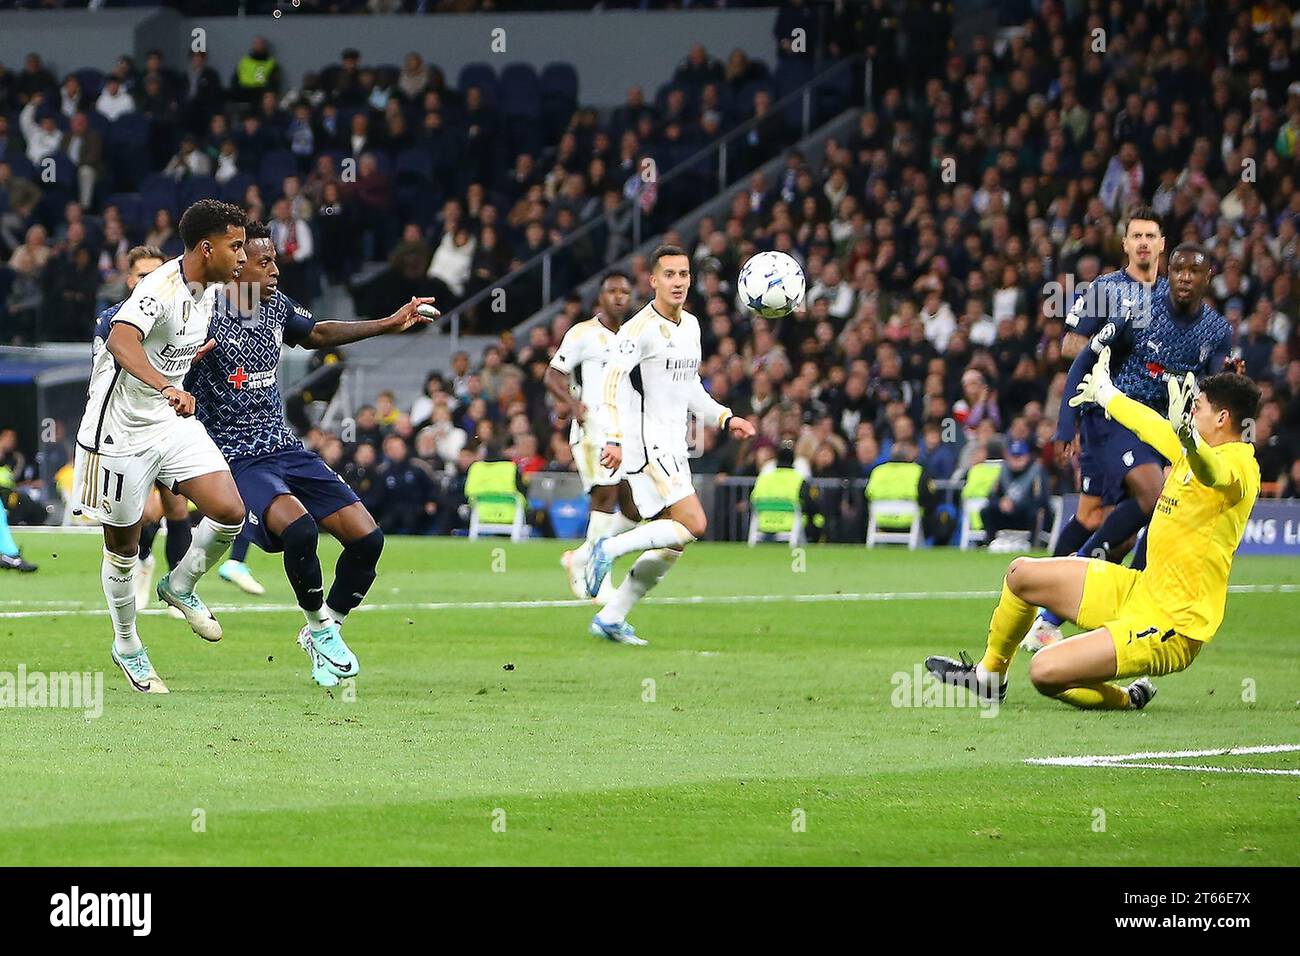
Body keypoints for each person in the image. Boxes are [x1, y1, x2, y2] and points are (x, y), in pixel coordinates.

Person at [927, 350, 1261, 711]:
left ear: (1223, 417)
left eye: (1199, 406)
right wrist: (1107, 395)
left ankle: (1127, 700)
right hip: (1140, 590)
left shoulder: (1241, 464)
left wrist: (1191, 442)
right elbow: (1148, 424)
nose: (1191, 411)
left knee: (1045, 670)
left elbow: (1214, 473)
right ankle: (989, 676)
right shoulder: (1187, 448)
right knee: (1020, 575)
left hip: (1174, 625)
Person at [186, 219, 436, 687]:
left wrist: (389, 322)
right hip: (234, 456)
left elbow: (318, 332)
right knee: (300, 529)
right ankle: (321, 628)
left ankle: (324, 631)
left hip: (284, 446)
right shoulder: (204, 313)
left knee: (368, 540)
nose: (274, 269)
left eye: (274, 259)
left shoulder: (275, 307)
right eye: (262, 262)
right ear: (237, 267)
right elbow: (165, 360)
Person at [70, 199, 249, 694]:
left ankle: (180, 585)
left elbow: (174, 347)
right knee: (124, 549)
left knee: (230, 510)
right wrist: (167, 386)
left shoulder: (209, 289)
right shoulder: (160, 287)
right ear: (206, 247)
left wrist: (187, 365)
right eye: (235, 247)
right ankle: (127, 643)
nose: (241, 257)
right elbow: (121, 342)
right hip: (118, 434)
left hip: (169, 425)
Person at [1027, 230, 1232, 652]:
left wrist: (1233, 379)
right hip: (1118, 418)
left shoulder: (1217, 329)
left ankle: (1056, 616)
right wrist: (1066, 425)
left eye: (1195, 271)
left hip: (1168, 431)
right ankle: (1119, 607)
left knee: (1132, 529)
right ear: (1167, 273)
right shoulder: (1139, 312)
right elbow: (1085, 356)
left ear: (1209, 277)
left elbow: (1215, 391)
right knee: (1154, 496)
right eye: (1177, 269)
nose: (1184, 278)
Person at [585, 245, 757, 644]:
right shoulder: (638, 330)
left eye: (683, 275)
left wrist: (724, 417)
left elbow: (690, 387)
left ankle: (612, 617)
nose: (677, 282)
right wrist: (613, 438)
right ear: (654, 281)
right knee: (693, 523)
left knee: (674, 542)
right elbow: (609, 386)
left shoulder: (692, 326)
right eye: (669, 275)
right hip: (645, 448)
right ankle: (608, 547)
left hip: (674, 446)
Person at [92, 244, 195, 615]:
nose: (148, 282)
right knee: (143, 514)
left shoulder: (180, 313)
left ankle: (180, 591)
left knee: (176, 507)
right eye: (141, 275)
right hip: (125, 429)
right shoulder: (112, 320)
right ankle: (143, 559)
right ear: (128, 279)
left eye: (156, 274)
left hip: (169, 424)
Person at [545, 271, 641, 602]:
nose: (618, 297)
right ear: (600, 297)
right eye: (612, 291)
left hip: (624, 430)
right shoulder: (583, 333)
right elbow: (552, 374)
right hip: (593, 430)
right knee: (605, 496)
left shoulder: (633, 336)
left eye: (624, 292)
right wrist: (573, 404)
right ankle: (598, 580)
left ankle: (581, 557)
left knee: (634, 510)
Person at [979, 439, 1047, 542]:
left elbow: (1041, 499)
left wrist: (1016, 505)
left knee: (1035, 513)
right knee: (986, 510)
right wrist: (1000, 503)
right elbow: (992, 495)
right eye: (1013, 456)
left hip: (1025, 514)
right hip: (1006, 514)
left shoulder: (1036, 471)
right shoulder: (1003, 470)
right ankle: (990, 541)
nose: (1016, 460)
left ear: (1027, 456)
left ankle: (1033, 543)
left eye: (1020, 456)